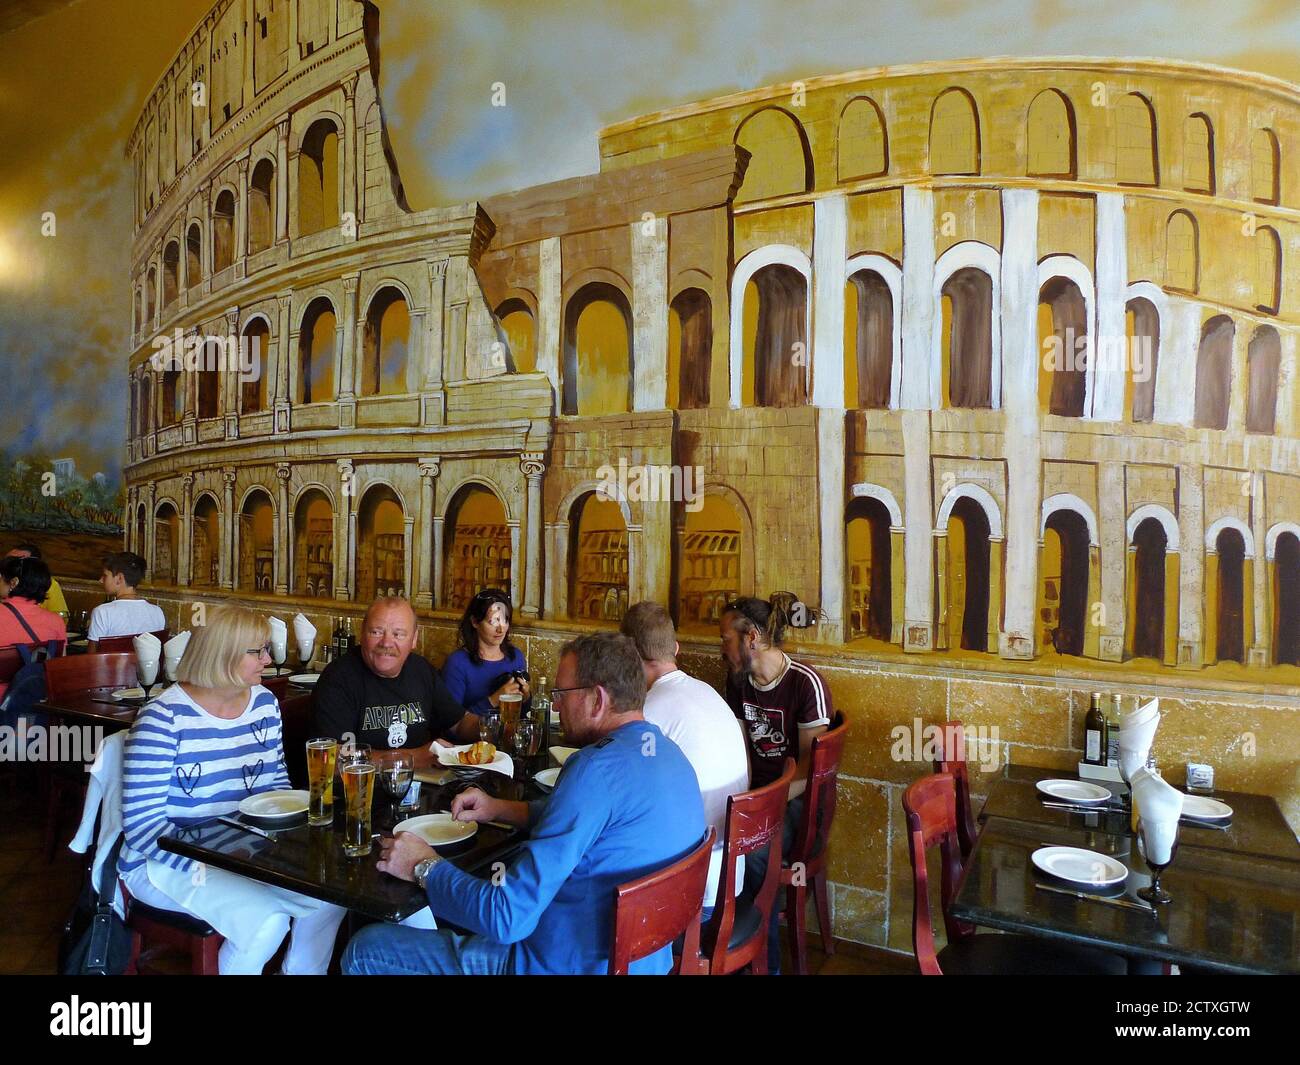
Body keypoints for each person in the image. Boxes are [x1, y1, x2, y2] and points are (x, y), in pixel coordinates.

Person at [342, 632, 706, 976]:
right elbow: (595, 822)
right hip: (640, 959)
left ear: (597, 699)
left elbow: (505, 919)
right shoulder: (669, 755)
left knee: (365, 947)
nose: (556, 704)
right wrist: (499, 809)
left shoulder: (593, 770)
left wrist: (423, 866)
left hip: (556, 963)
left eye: (563, 693)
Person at [118, 604, 346, 974]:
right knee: (265, 922)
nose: (268, 659)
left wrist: (286, 845)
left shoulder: (265, 704)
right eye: (257, 651)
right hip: (162, 862)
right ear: (222, 653)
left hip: (241, 850)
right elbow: (142, 829)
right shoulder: (164, 718)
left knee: (329, 897)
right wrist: (227, 861)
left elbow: (276, 786)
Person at [720, 592, 832, 974]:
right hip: (756, 802)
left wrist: (761, 805)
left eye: (726, 639)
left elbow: (809, 769)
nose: (723, 649)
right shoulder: (738, 683)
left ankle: (762, 964)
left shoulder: (805, 684)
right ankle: (724, 947)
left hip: (797, 805)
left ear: (751, 637)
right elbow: (738, 753)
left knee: (751, 857)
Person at [620, 601, 748, 916]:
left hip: (695, 898)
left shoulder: (650, 713)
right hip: (732, 879)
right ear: (674, 648)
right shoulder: (706, 692)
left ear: (630, 657)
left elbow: (615, 795)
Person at [311, 597, 482, 769]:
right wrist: (409, 759)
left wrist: (498, 727)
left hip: (421, 786)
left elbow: (459, 723)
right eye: (376, 632)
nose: (386, 643)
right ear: (362, 633)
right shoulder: (338, 679)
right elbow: (328, 758)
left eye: (398, 634)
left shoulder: (420, 669)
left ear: (414, 639)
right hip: (362, 791)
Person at [441, 588, 529, 715]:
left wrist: (526, 698)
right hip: (472, 735)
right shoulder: (457, 663)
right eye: (493, 621)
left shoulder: (515, 657)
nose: (501, 629)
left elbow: (522, 715)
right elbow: (450, 722)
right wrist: (494, 700)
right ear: (475, 622)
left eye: (505, 621)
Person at [0, 556, 67, 702]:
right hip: (39, 700)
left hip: (4, 700)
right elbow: (59, 665)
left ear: (13, 582)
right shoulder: (56, 621)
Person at [86, 551, 166, 650]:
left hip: (112, 665)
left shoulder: (102, 612)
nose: (101, 580)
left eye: (105, 575)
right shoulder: (157, 611)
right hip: (145, 666)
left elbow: (92, 657)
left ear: (119, 578)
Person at [5, 543, 68, 618]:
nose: (8, 565)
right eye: (7, 560)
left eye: (16, 562)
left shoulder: (48, 583)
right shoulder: (3, 580)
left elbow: (61, 617)